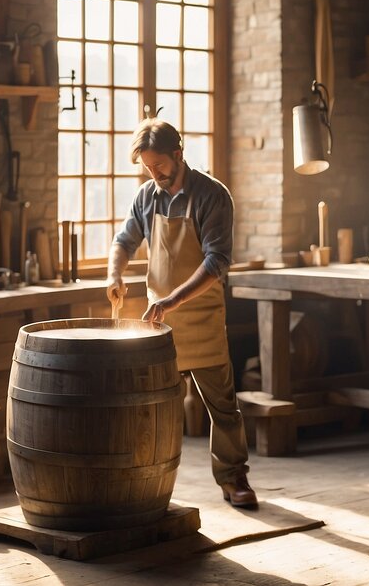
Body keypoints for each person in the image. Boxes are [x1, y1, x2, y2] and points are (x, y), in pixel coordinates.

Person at [107, 118, 257, 509]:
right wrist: (114, 273)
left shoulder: (212, 195)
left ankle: (233, 477)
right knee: (154, 410)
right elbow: (124, 240)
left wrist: (172, 299)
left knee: (223, 406)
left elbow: (217, 261)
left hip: (201, 316)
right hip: (160, 323)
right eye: (146, 168)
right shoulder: (146, 197)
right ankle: (149, 483)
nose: (153, 175)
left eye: (159, 166)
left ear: (178, 154)